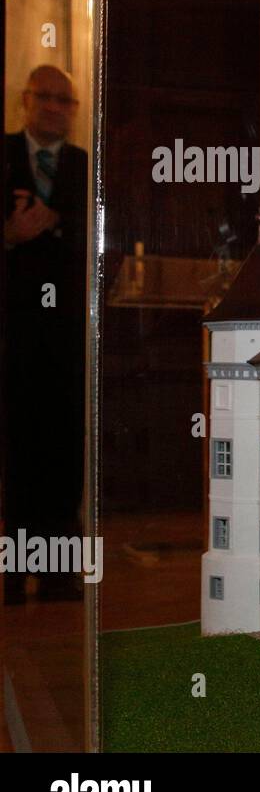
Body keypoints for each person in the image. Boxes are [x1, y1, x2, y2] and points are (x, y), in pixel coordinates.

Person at [2, 65, 89, 603]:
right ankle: (11, 574)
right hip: (10, 333)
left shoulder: (83, 165)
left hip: (67, 336)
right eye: (47, 98)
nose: (56, 107)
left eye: (66, 101)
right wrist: (10, 235)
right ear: (26, 101)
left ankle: (59, 574)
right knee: (14, 451)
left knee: (62, 451)